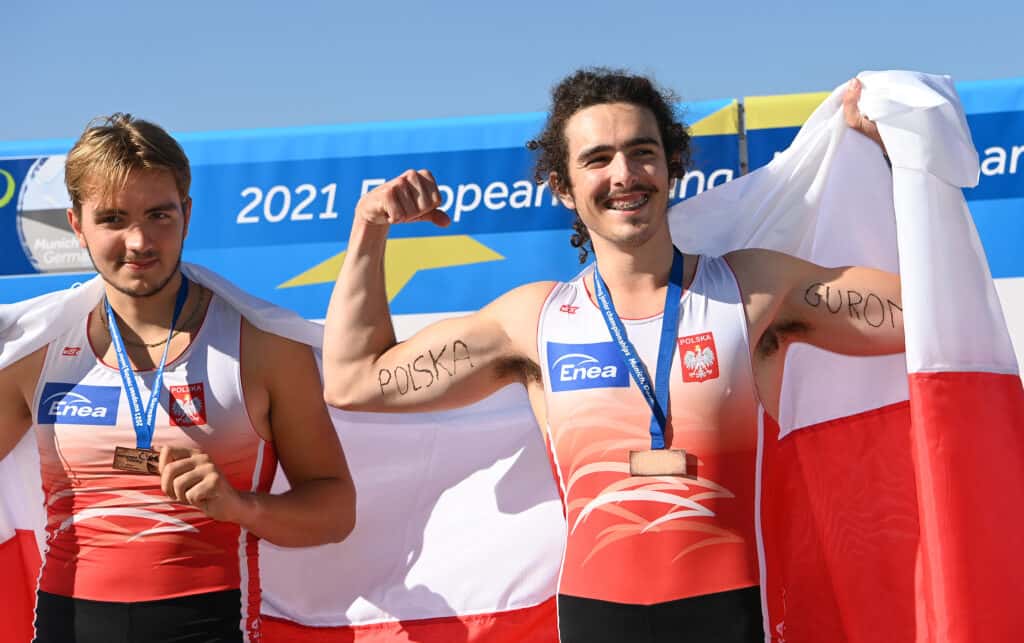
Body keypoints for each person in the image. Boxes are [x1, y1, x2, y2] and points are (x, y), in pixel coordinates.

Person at [322, 69, 900, 643]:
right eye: (597, 158)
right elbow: (353, 382)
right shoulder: (533, 323)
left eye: (641, 152)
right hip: (594, 619)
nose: (623, 174)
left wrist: (895, 163)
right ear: (562, 187)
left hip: (737, 614)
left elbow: (933, 315)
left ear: (672, 165)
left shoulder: (753, 292)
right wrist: (368, 229)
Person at [0, 114, 356, 643]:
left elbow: (335, 510)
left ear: (186, 214)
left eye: (159, 215)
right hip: (65, 623)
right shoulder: (37, 349)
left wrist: (240, 506)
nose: (139, 241)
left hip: (210, 623)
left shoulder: (263, 345)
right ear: (77, 225)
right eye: (113, 218)